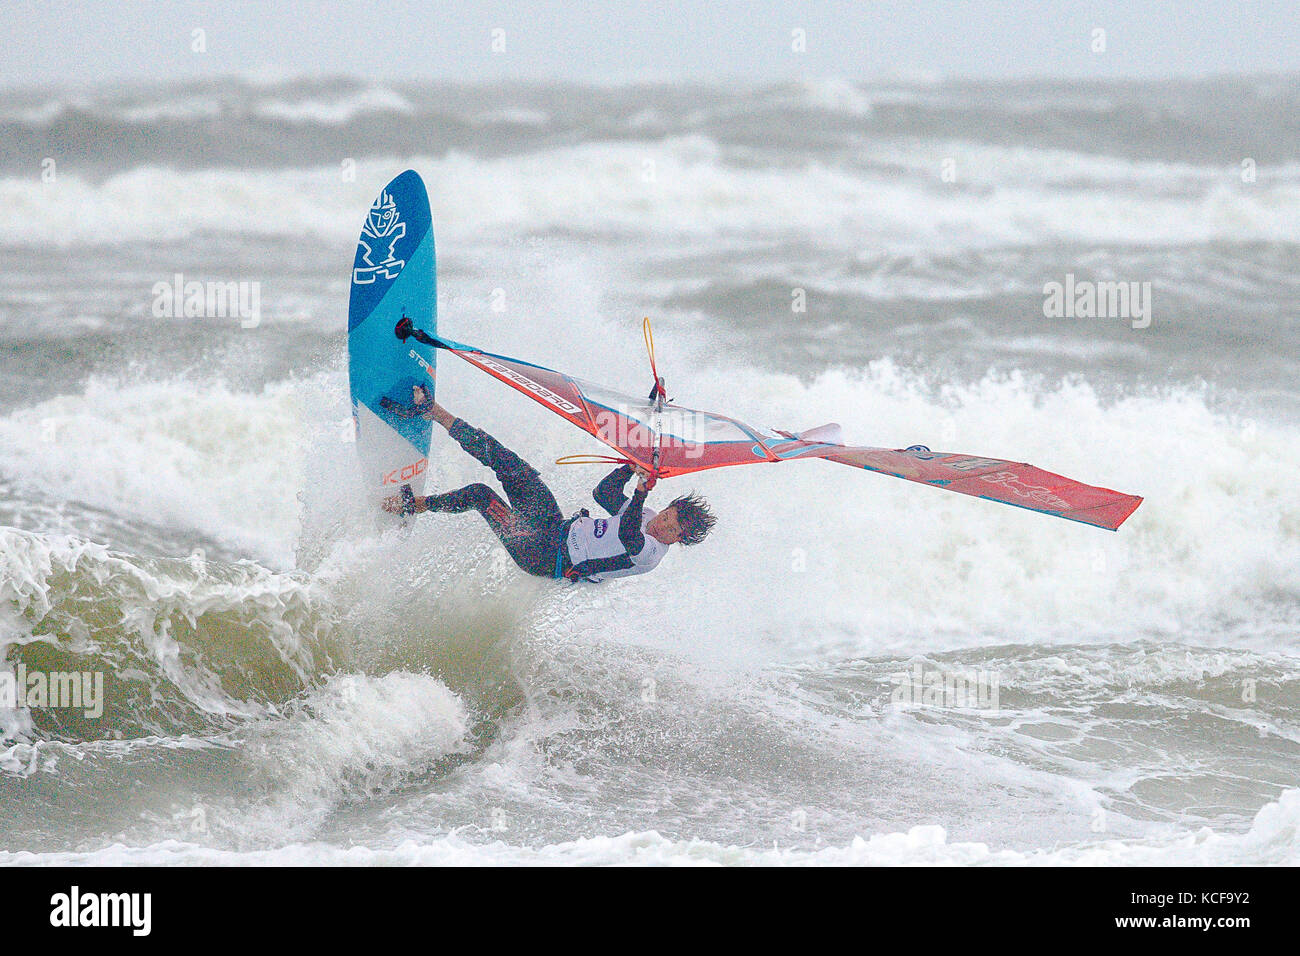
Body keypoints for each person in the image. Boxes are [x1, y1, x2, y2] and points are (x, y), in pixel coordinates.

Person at [381, 389, 715, 582]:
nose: (660, 523)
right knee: (509, 463)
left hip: (544, 557)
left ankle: (413, 505)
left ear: (678, 540)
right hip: (555, 527)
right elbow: (605, 494)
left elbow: (629, 535)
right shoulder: (649, 515)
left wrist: (641, 491)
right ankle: (433, 412)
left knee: (479, 495)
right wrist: (631, 467)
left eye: (669, 528)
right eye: (667, 515)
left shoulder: (651, 554)